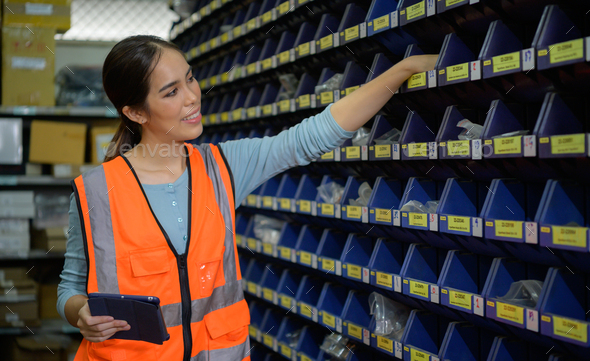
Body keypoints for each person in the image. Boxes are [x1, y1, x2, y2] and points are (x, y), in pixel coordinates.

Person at [57, 34, 437, 360]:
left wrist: (402, 70)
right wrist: (81, 314)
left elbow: (314, 135)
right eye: (171, 92)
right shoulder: (95, 192)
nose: (192, 97)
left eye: (190, 79)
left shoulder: (222, 167)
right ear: (135, 112)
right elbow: (71, 287)